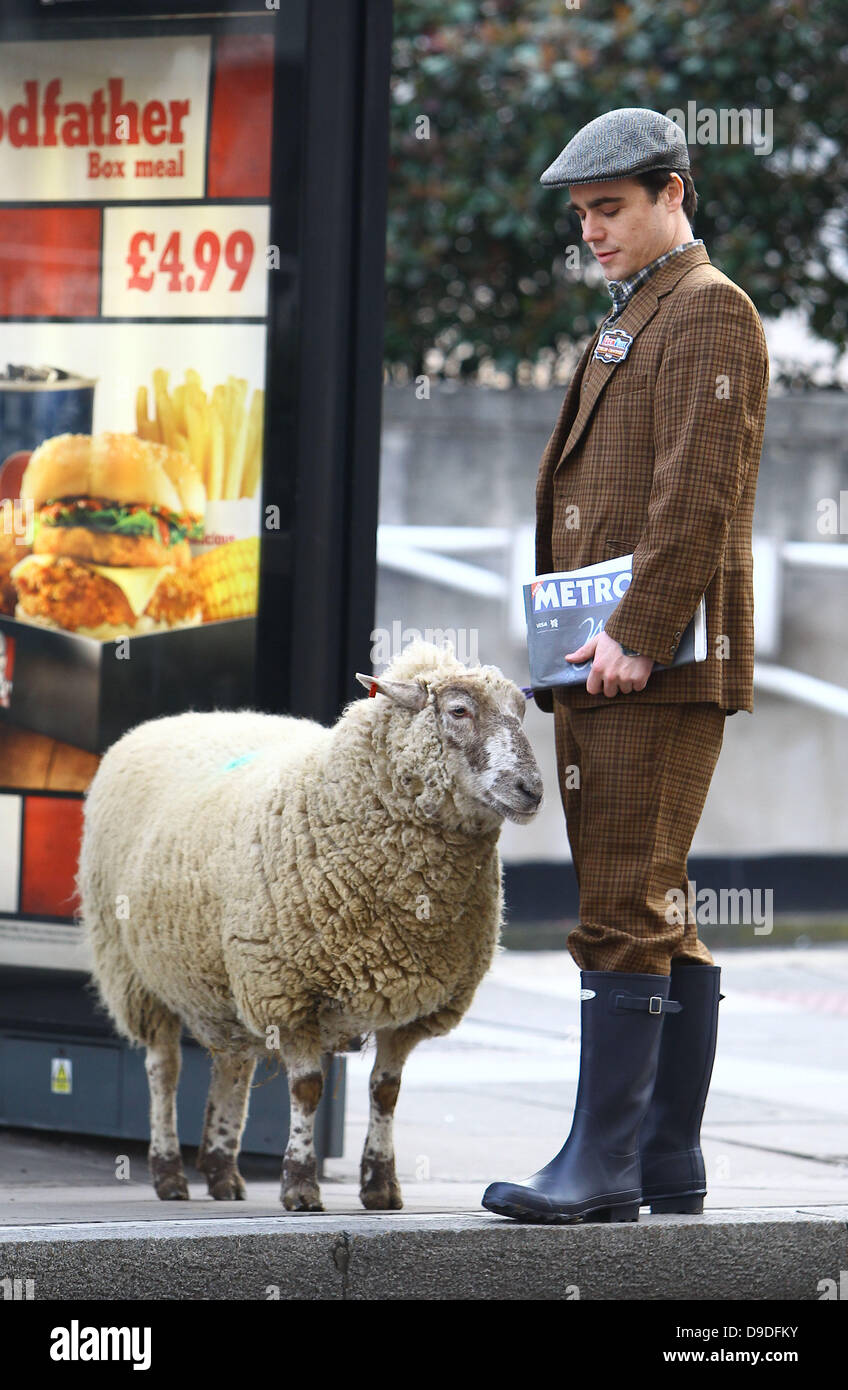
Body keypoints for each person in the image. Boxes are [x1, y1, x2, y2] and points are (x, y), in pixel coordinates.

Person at [483, 108, 769, 1224]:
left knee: (618, 902)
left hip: (645, 660)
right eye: (581, 213)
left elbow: (694, 493)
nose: (589, 231)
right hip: (612, 654)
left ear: (671, 194)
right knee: (656, 899)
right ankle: (661, 1160)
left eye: (608, 209)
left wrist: (639, 634)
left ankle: (596, 1169)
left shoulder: (705, 310)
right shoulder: (642, 308)